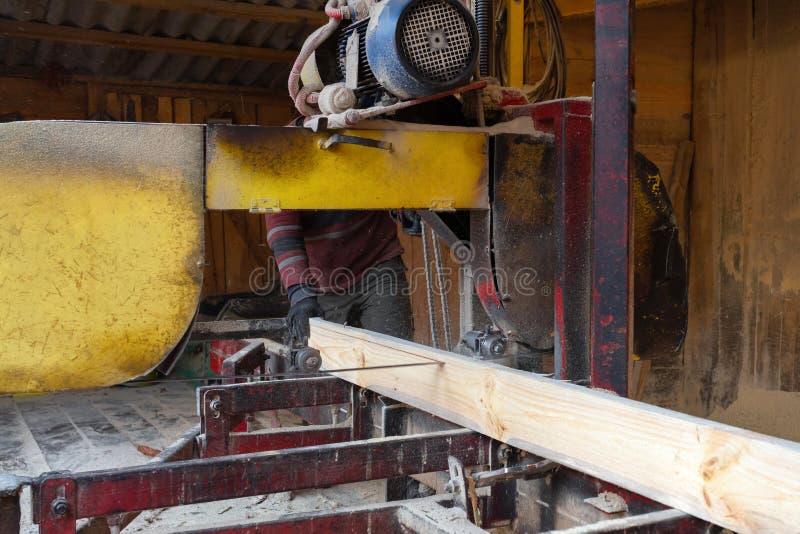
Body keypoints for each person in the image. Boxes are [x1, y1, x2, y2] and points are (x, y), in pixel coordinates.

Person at [266, 210, 413, 342]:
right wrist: (301, 294)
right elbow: (283, 232)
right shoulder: (283, 187)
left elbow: (394, 192)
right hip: (321, 285)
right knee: (329, 359)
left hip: (379, 263)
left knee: (396, 349)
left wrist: (407, 211)